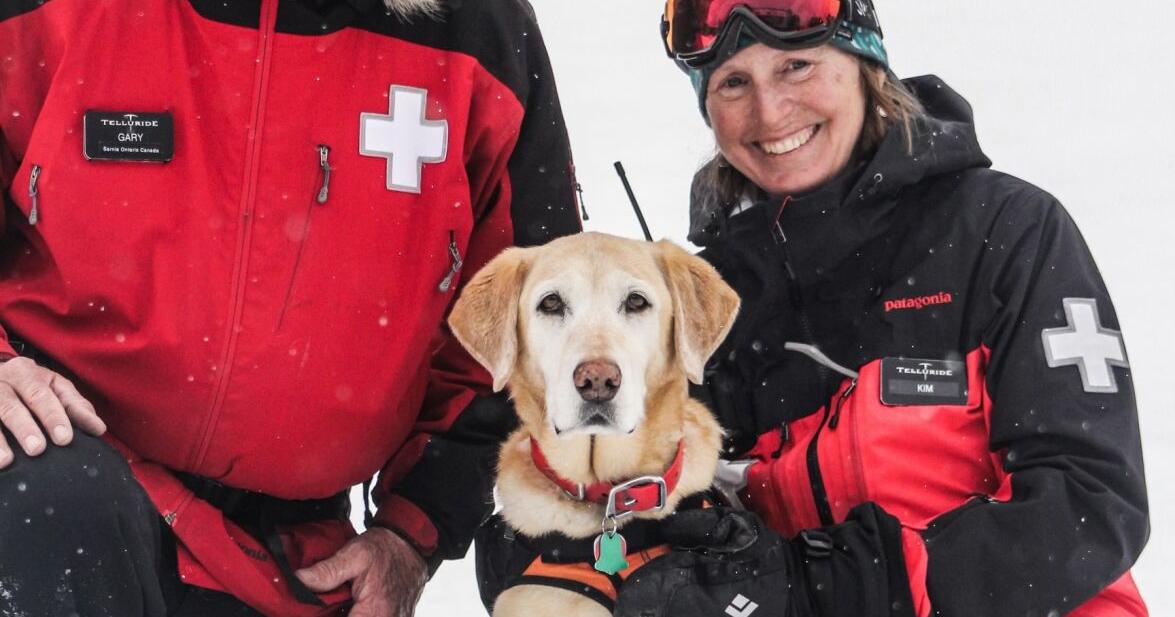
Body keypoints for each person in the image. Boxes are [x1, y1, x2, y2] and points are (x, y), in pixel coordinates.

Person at [0, 0, 581, 615]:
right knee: (47, 498)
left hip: (299, 561)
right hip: (53, 485)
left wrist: (414, 530)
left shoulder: (477, 30)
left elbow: (535, 320)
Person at [608, 1, 1149, 615]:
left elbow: (1091, 507)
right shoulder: (706, 300)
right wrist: (563, 533)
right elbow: (648, 497)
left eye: (797, 66)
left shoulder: (1004, 232)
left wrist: (837, 584)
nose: (770, 112)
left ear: (865, 65)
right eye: (734, 83)